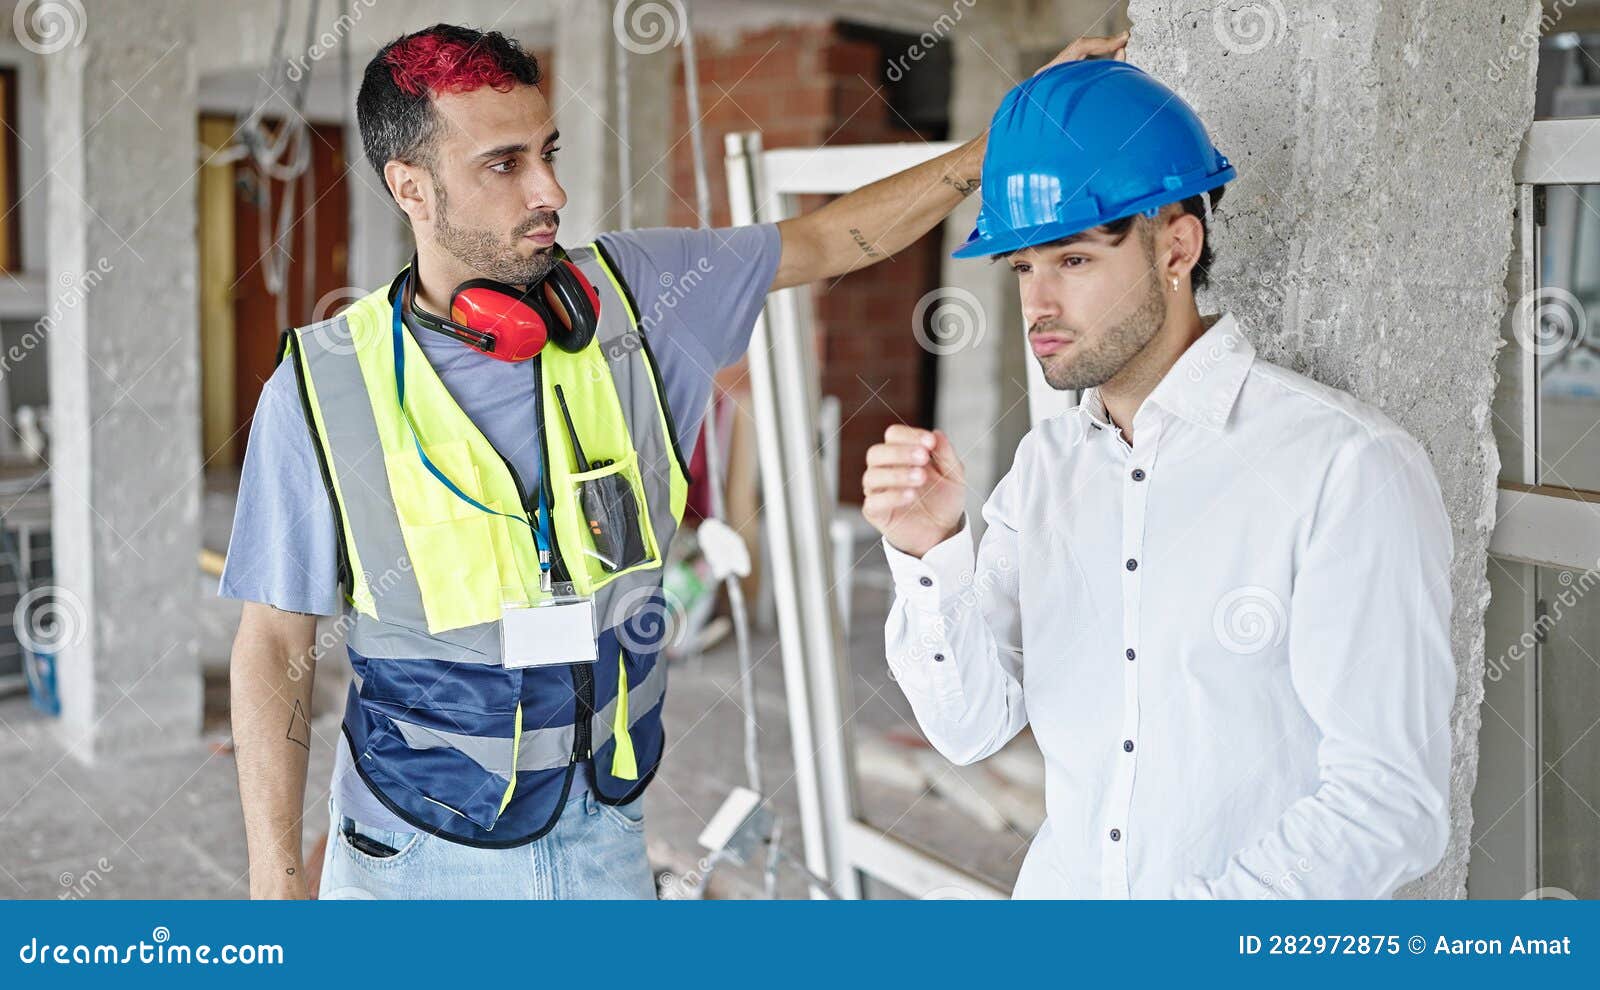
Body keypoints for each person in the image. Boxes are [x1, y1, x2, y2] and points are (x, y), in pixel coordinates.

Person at [223, 22, 1128, 900]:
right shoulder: (323, 387)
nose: (550, 189)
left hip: (606, 834)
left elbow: (831, 239)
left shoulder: (641, 297)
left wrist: (998, 144)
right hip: (414, 852)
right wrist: (277, 881)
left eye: (549, 151)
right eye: (504, 164)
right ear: (410, 187)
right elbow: (273, 644)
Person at [865, 59, 1456, 898]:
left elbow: (1388, 805)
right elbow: (970, 729)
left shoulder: (1344, 467)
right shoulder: (1046, 467)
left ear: (1177, 246)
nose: (1037, 305)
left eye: (1072, 260)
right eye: (1023, 268)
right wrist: (931, 554)